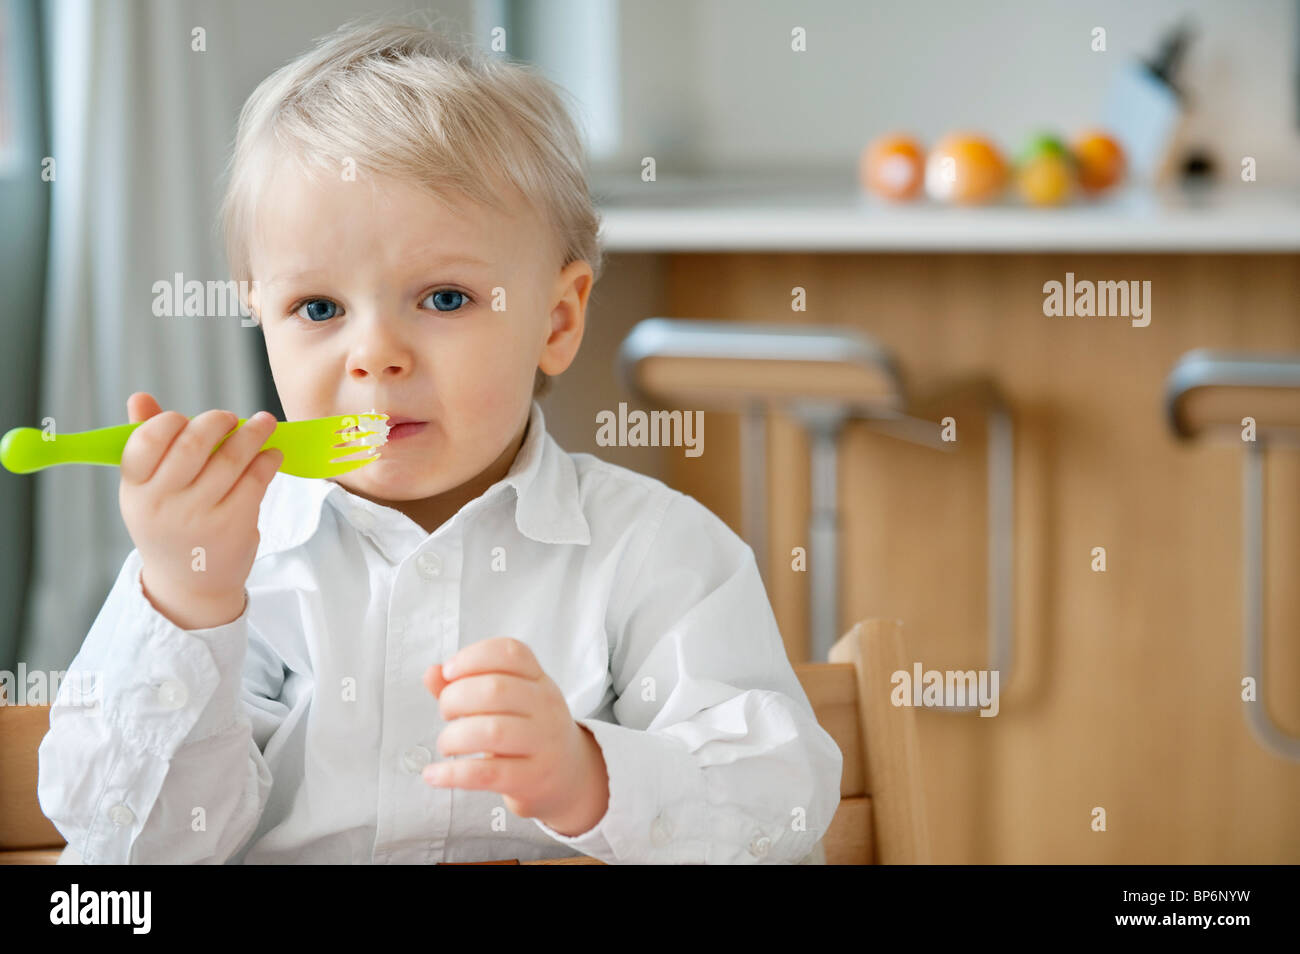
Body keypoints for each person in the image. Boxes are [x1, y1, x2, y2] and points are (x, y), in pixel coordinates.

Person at [37, 17, 841, 864]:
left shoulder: (657, 551)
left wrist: (590, 778)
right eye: (318, 308)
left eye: (446, 299)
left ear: (558, 321)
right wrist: (186, 601)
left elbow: (779, 807)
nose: (375, 354)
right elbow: (122, 855)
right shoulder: (231, 561)